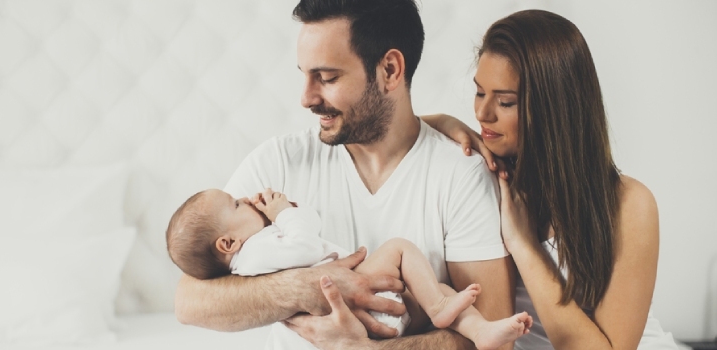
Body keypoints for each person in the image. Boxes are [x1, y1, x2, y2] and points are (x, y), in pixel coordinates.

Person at [174, 0, 517, 349]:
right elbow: (189, 302)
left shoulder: (461, 174)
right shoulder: (279, 161)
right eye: (304, 75)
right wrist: (307, 287)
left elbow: (494, 336)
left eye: (327, 78)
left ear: (390, 70)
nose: (306, 98)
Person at [418, 9, 678, 350]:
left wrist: (524, 246)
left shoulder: (629, 205)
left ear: (553, 107)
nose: (483, 113)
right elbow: (395, 132)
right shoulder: (485, 175)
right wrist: (445, 123)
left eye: (505, 101)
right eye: (480, 93)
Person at [167, 188, 533, 350]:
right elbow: (307, 244)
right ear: (227, 244)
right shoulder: (254, 253)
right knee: (399, 249)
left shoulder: (256, 250)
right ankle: (440, 310)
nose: (247, 198)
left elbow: (304, 235)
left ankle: (479, 330)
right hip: (350, 320)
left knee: (447, 293)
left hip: (370, 323)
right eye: (235, 203)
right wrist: (283, 213)